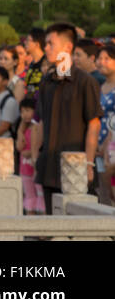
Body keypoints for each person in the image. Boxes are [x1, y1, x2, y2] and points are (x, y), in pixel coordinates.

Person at [35, 22, 102, 214]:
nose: (45, 48)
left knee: (77, 226)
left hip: (76, 168)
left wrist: (88, 164)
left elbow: (94, 124)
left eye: (50, 43)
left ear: (67, 47)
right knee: (52, 226)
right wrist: (35, 154)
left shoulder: (85, 82)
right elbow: (40, 121)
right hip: (49, 165)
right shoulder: (47, 81)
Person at [16, 97, 44, 214]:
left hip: (36, 169)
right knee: (29, 196)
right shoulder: (24, 129)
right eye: (22, 112)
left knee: (41, 197)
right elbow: (19, 147)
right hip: (25, 169)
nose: (24, 115)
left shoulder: (38, 128)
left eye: (27, 110)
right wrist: (19, 132)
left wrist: (30, 152)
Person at [97, 44, 115, 206]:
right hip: (98, 151)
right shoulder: (99, 88)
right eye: (99, 58)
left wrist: (106, 145)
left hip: (111, 149)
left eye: (107, 59)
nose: (101, 62)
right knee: (103, 198)